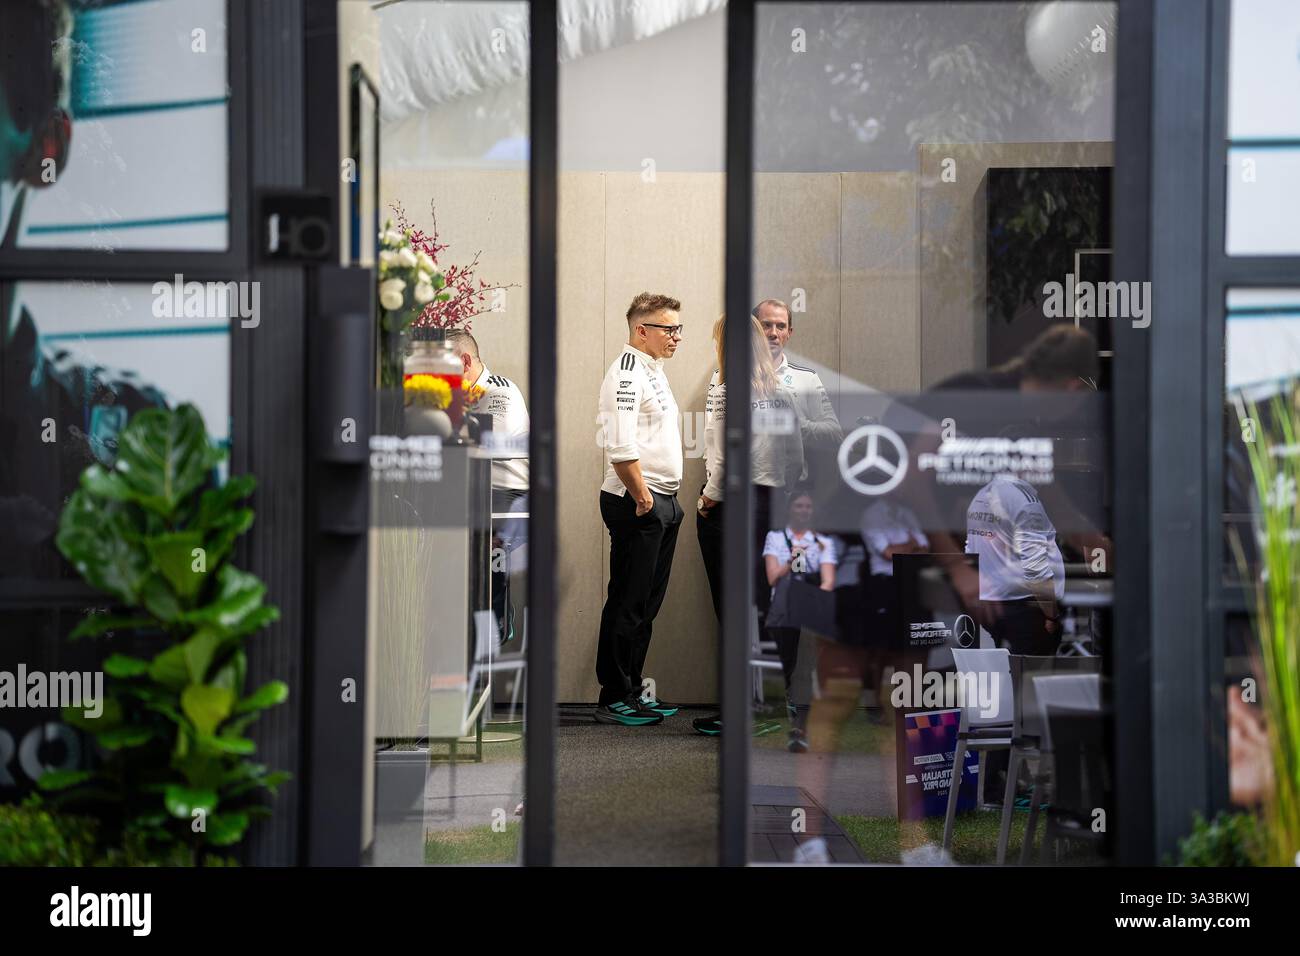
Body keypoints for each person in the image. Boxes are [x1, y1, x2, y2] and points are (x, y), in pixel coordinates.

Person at [692, 314, 804, 736]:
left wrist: (708, 499)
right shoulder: (780, 392)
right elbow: (796, 459)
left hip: (732, 507)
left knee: (736, 612)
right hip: (771, 506)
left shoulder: (724, 389)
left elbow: (723, 457)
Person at [593, 292, 685, 726]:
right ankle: (613, 696)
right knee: (628, 602)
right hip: (636, 502)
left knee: (647, 604)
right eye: (669, 329)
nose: (677, 337)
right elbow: (621, 446)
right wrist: (645, 499)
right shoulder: (626, 373)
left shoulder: (655, 370)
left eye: (678, 329)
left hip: (662, 500)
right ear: (641, 331)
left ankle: (632, 688)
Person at [447, 328, 529, 645]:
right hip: (473, 493)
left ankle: (494, 622)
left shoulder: (499, 393)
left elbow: (487, 447)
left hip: (506, 497)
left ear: (464, 361)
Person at [760, 487, 837, 751]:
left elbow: (828, 581)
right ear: (790, 509)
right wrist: (791, 560)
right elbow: (772, 578)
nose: (803, 511)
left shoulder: (823, 541)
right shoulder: (776, 537)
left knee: (804, 669)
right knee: (788, 666)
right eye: (799, 506)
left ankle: (799, 728)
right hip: (782, 612)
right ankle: (790, 713)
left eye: (808, 506)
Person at [964, 474, 1065, 656]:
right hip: (1027, 610)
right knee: (1029, 679)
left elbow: (971, 550)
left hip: (992, 605)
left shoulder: (981, 496)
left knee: (998, 679)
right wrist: (1052, 615)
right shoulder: (1025, 501)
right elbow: (1036, 569)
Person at [753, 298, 843, 481]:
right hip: (745, 491)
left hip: (792, 491)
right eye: (766, 325)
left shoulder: (806, 378)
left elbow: (834, 434)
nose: (773, 333)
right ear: (754, 330)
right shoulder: (729, 377)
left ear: (789, 333)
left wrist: (791, 425)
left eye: (781, 326)